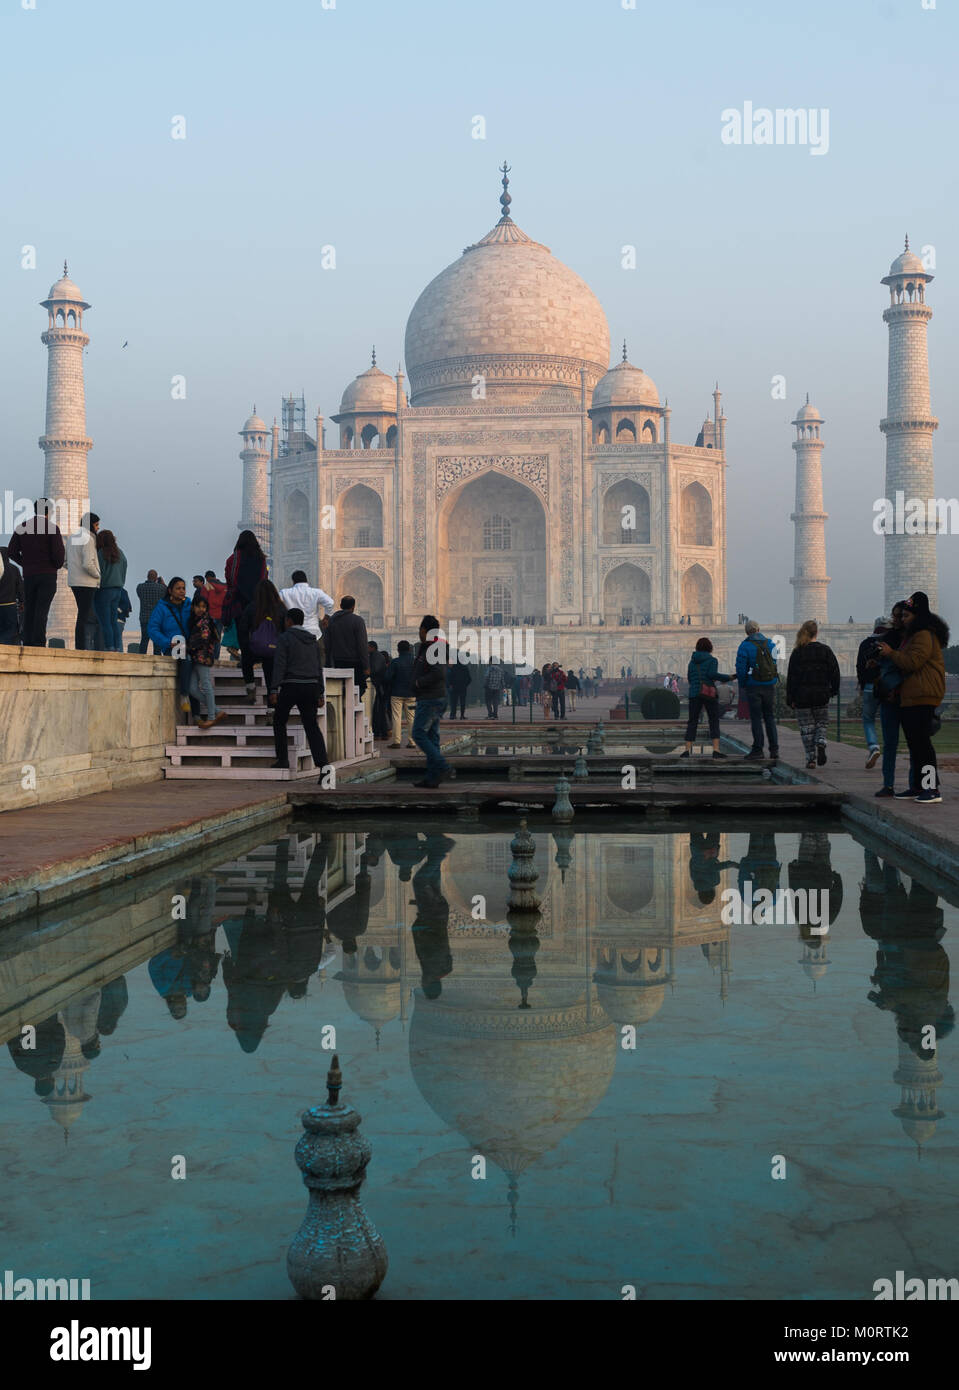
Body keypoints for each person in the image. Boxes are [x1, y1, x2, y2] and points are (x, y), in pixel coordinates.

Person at [877, 590, 948, 804]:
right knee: (915, 744)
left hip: (923, 694)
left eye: (907, 616)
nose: (902, 620)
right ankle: (917, 786)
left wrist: (891, 653)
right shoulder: (915, 635)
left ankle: (931, 788)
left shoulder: (924, 634)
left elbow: (912, 662)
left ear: (917, 616)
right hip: (913, 694)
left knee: (922, 745)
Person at [268, 608, 329, 779]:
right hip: (310, 686)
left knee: (279, 721)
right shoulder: (312, 640)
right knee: (312, 726)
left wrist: (274, 689)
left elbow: (279, 665)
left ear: (288, 621)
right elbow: (319, 668)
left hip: (291, 685)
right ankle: (324, 768)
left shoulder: (285, 638)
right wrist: (321, 692)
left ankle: (283, 759)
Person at [8, 498, 65, 647]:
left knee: (29, 609)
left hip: (29, 575)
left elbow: (12, 551)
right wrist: (53, 565)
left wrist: (25, 564)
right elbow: (59, 557)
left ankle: (27, 641)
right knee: (42, 610)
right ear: (48, 511)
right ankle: (38, 642)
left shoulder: (22, 527)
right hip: (47, 575)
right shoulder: (52, 528)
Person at [785, 620, 841, 769]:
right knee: (822, 722)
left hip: (802, 696)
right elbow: (835, 673)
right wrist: (833, 690)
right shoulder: (825, 650)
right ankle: (821, 741)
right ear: (816, 633)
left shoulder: (797, 652)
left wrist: (790, 697)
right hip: (821, 694)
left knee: (806, 728)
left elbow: (791, 677)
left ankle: (811, 759)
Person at [873, 602, 912, 798]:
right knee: (890, 743)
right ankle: (888, 784)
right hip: (890, 696)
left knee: (916, 744)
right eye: (896, 615)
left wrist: (890, 654)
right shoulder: (889, 637)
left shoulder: (916, 639)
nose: (897, 619)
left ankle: (921, 785)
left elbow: (912, 664)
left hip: (908, 696)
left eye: (901, 615)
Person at [223, 531, 268, 699]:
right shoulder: (261, 559)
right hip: (258, 607)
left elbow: (230, 580)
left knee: (245, 644)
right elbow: (265, 579)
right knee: (261, 639)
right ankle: (271, 691)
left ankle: (249, 685)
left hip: (239, 607)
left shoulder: (233, 559)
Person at [410, 615, 451, 788]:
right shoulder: (432, 646)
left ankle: (442, 766)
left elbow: (438, 673)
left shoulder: (434, 647)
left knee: (418, 733)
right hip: (432, 697)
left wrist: (419, 682)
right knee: (432, 737)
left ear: (424, 630)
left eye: (420, 629)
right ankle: (433, 777)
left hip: (430, 698)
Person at [147, 577, 195, 716]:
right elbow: (153, 629)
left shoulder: (189, 605)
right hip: (172, 645)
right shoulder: (162, 607)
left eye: (183, 588)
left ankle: (197, 715)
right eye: (178, 588)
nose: (182, 591)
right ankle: (184, 696)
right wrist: (167, 642)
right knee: (186, 660)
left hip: (190, 645)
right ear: (170, 591)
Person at [681, 636, 734, 758]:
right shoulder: (712, 660)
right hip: (708, 693)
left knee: (692, 721)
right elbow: (712, 674)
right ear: (710, 648)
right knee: (713, 720)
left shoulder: (691, 662)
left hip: (694, 693)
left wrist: (696, 685)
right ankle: (716, 750)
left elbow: (689, 678)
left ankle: (687, 750)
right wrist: (729, 677)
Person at [736, 619, 780, 761]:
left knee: (756, 718)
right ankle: (774, 750)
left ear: (747, 632)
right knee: (769, 717)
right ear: (758, 630)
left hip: (753, 685)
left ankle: (758, 750)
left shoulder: (745, 646)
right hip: (769, 685)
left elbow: (741, 669)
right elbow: (774, 662)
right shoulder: (771, 643)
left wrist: (743, 684)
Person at [242, 579, 287, 701]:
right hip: (273, 650)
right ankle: (271, 709)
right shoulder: (281, 608)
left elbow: (243, 629)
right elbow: (286, 630)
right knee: (270, 677)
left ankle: (251, 687)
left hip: (255, 649)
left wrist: (246, 647)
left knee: (246, 662)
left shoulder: (252, 607)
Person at [186, 593, 226, 728]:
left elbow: (204, 638)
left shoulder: (205, 621)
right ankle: (217, 710)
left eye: (204, 607)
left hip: (203, 658)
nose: (201, 609)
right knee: (192, 688)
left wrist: (188, 646)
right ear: (193, 607)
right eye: (198, 606)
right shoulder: (195, 620)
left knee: (206, 686)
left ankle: (211, 717)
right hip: (195, 658)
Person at [324, 596, 370, 705]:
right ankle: (352, 718)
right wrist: (366, 666)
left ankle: (342, 718)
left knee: (338, 694)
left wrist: (328, 663)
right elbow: (362, 645)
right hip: (355, 664)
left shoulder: (331, 621)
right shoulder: (358, 621)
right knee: (356, 694)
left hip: (337, 663)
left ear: (340, 606)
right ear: (353, 607)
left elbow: (327, 645)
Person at [67, 511, 101, 650]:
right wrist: (98, 575)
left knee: (82, 613)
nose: (98, 528)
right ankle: (80, 646)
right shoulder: (88, 538)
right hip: (87, 582)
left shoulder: (71, 537)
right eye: (97, 524)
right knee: (84, 615)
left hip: (74, 582)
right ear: (91, 524)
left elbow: (65, 562)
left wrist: (74, 571)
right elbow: (88, 563)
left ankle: (80, 645)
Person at [857, 617, 888, 770]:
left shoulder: (865, 643)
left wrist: (862, 686)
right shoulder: (891, 643)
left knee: (868, 719)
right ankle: (889, 750)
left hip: (870, 686)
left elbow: (859, 667)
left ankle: (874, 746)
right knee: (887, 719)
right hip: (888, 687)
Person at [94, 529, 127, 652]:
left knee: (105, 622)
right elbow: (124, 569)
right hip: (117, 590)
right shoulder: (120, 553)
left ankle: (109, 647)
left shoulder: (101, 553)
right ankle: (117, 647)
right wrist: (121, 583)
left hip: (103, 590)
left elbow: (98, 571)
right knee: (113, 621)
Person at [279, 570, 335, 638]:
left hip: (292, 633)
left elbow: (275, 605)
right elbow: (330, 603)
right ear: (306, 580)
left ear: (293, 581)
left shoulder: (284, 593)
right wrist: (326, 618)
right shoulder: (316, 592)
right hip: (313, 631)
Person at [387, 639, 417, 748]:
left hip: (396, 693)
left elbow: (388, 677)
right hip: (412, 694)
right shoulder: (415, 661)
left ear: (398, 650)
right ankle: (412, 742)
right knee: (411, 718)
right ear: (409, 649)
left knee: (396, 717)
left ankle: (396, 742)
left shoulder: (395, 662)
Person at [136, 570, 165, 654]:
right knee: (157, 641)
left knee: (144, 640)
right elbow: (168, 593)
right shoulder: (162, 588)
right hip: (157, 619)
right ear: (156, 578)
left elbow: (140, 595)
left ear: (147, 576)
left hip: (144, 618)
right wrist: (162, 583)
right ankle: (156, 658)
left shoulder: (140, 587)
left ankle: (141, 658)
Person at [0, 546, 24, 644]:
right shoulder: (14, 569)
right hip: (9, 605)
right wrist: (22, 601)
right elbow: (20, 588)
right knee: (10, 632)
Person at [368, 640, 391, 740]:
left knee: (379, 711)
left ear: (372, 647)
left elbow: (375, 670)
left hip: (380, 687)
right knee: (381, 711)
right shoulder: (376, 656)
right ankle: (382, 732)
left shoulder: (375, 656)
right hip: (381, 687)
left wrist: (367, 672)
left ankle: (381, 732)